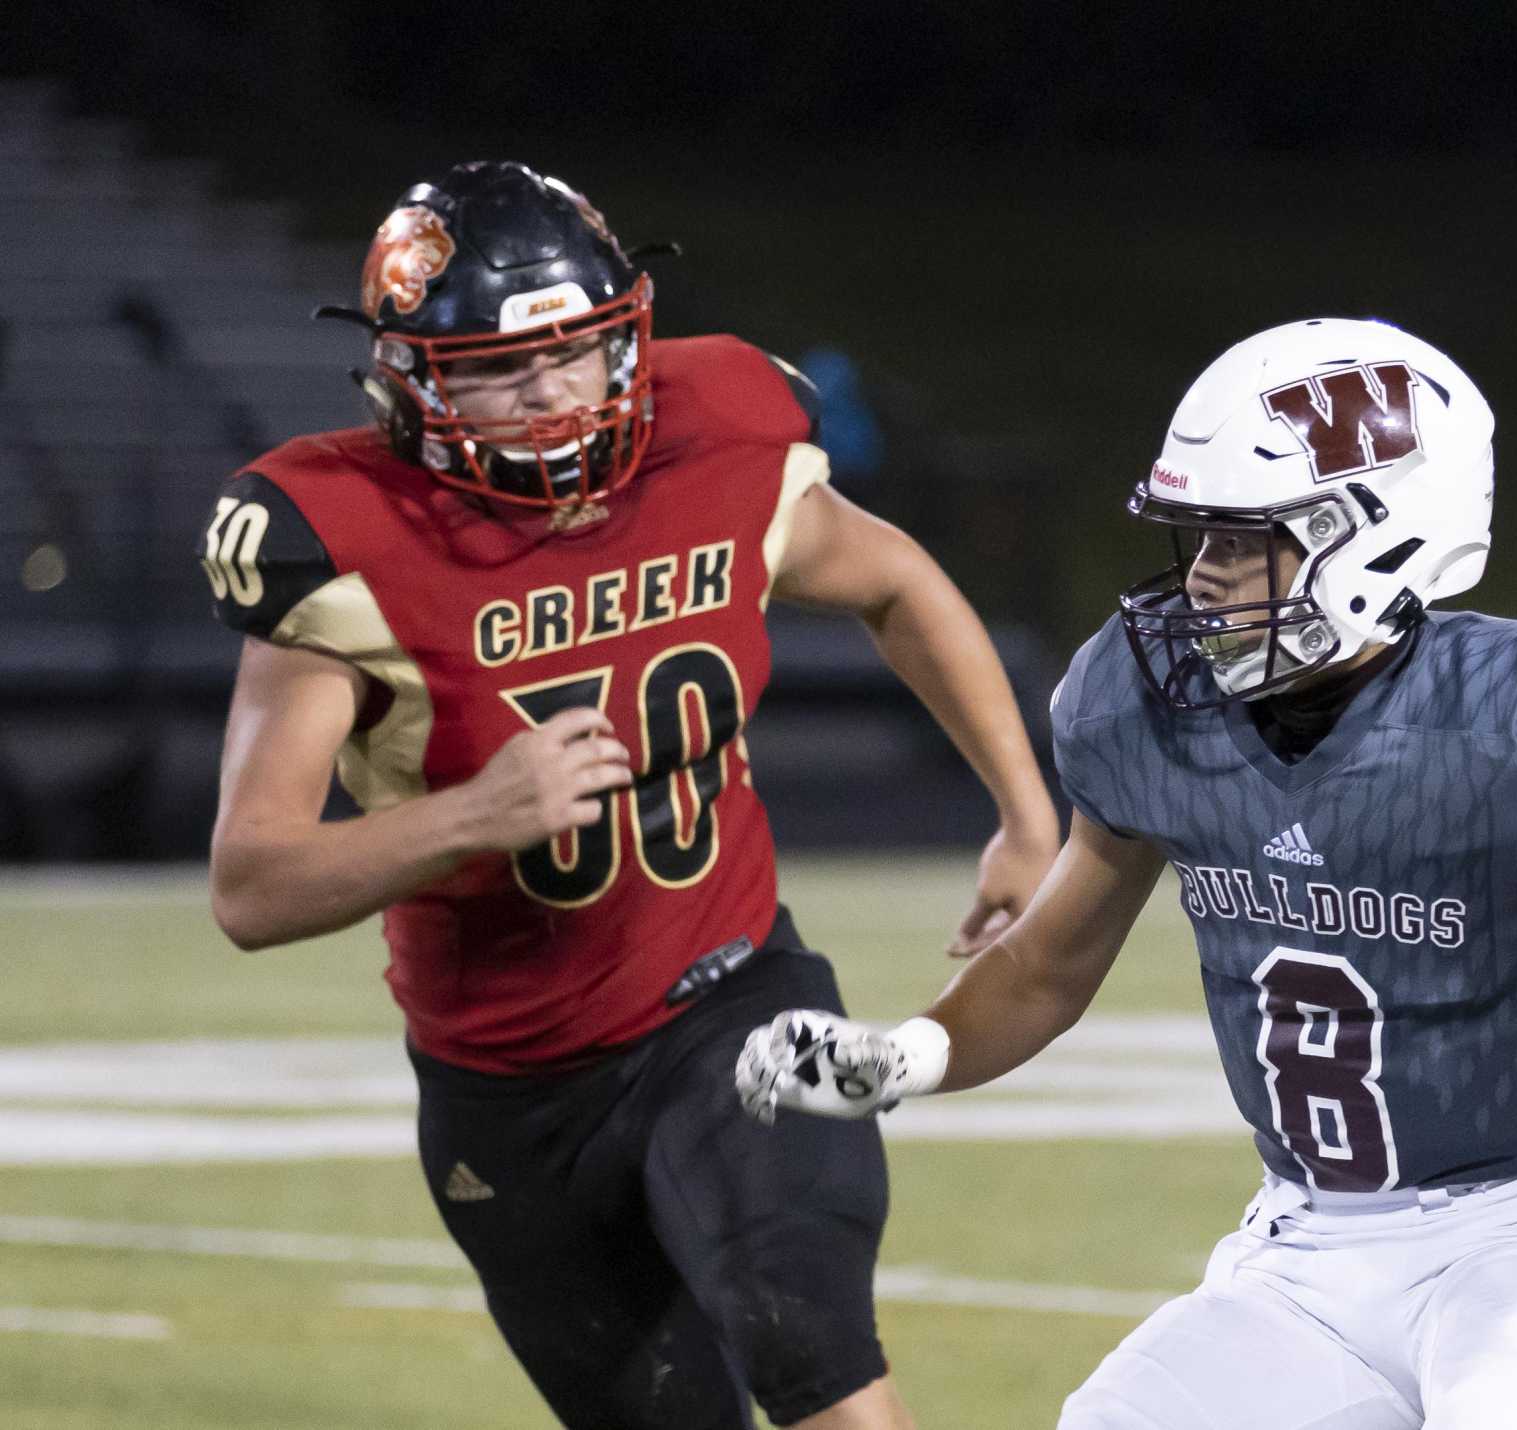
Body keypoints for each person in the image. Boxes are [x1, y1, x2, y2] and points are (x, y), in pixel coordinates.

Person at [733, 318, 1517, 1429]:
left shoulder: (1504, 724)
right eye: (1195, 537)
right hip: (1299, 1252)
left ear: (1382, 535)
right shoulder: (1151, 707)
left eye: (1246, 544)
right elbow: (1046, 965)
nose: (1200, 577)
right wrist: (905, 1056)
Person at [201, 160, 1059, 1430]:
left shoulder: (716, 428)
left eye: (577, 351)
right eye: (497, 366)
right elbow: (250, 882)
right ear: (409, 377)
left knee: (811, 1342)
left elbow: (895, 581)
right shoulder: (343, 536)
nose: (550, 392)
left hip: (736, 1007)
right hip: (507, 1084)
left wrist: (1025, 811)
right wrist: (471, 815)